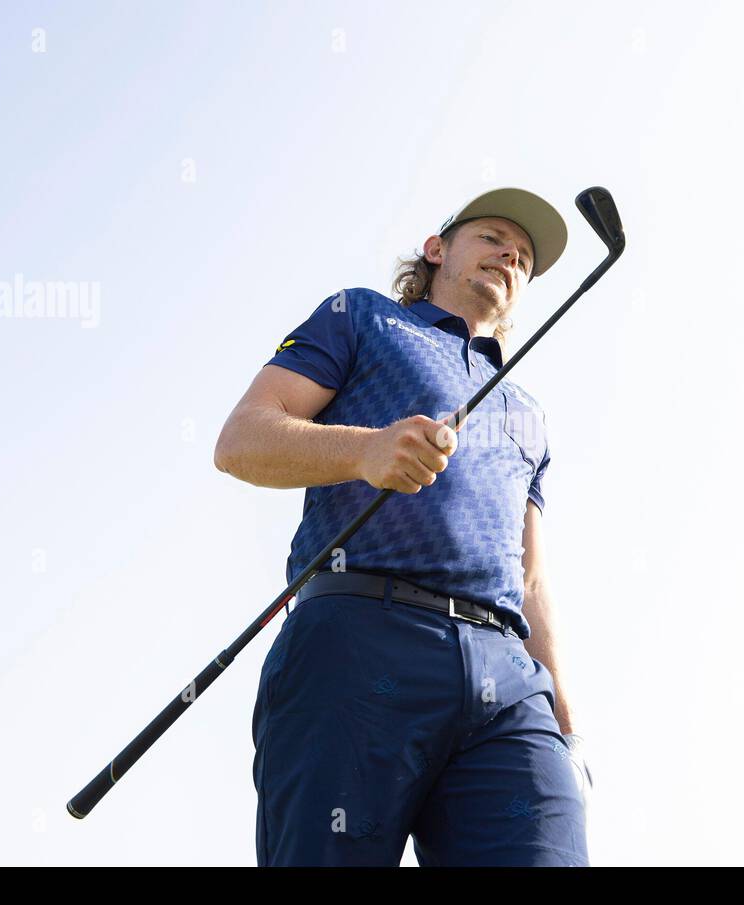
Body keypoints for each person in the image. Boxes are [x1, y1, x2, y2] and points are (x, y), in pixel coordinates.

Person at [215, 187, 593, 866]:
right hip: (358, 643)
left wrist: (561, 707)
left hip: (507, 680)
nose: (511, 253)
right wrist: (365, 450)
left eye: (524, 256)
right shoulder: (360, 316)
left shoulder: (527, 411)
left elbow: (531, 574)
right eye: (493, 236)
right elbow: (242, 440)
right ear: (437, 248)